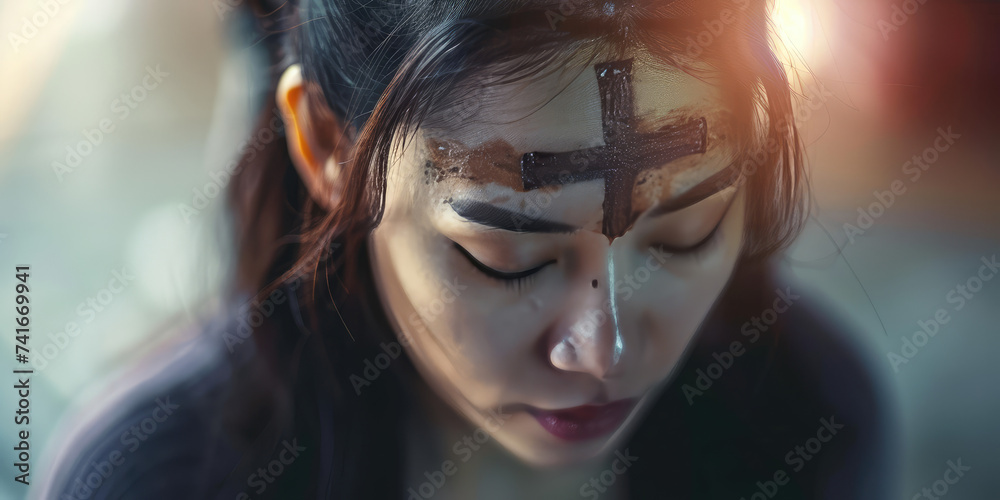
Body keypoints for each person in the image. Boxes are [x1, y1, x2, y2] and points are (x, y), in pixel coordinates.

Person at [41, 0, 897, 498]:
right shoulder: (153, 478)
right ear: (329, 147)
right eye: (508, 258)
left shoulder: (810, 414)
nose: (606, 350)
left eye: (685, 235)